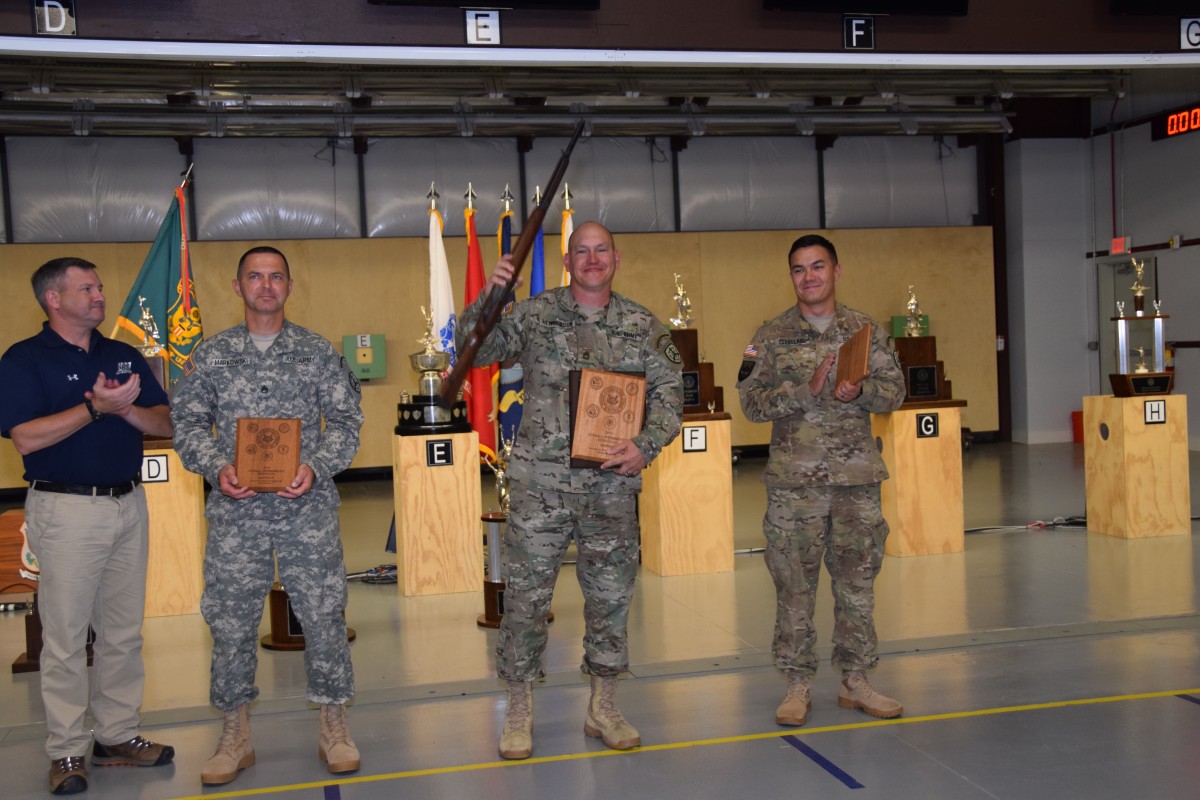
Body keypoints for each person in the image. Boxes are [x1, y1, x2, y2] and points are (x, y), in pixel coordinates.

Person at [458, 221, 683, 760]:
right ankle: (518, 708)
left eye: (601, 249)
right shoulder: (536, 315)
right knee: (526, 601)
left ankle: (603, 705)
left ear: (617, 258)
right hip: (541, 488)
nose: (592, 258)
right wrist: (492, 295)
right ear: (566, 261)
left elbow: (671, 395)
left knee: (611, 600)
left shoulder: (642, 325)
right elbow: (475, 348)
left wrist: (646, 445)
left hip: (611, 488)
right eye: (581, 251)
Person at [170, 246, 364, 785]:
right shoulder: (211, 356)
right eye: (255, 277)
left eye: (276, 276)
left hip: (306, 509)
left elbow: (346, 422)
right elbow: (187, 425)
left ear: (289, 286)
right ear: (238, 287)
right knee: (231, 621)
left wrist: (315, 467)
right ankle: (234, 734)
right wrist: (217, 468)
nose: (266, 285)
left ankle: (334, 726)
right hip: (237, 514)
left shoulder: (317, 352)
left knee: (323, 616)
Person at [0, 257, 175, 795]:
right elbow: (25, 437)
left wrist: (126, 411)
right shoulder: (25, 359)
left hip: (128, 503)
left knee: (123, 631)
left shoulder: (121, 355)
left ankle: (117, 733)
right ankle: (67, 749)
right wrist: (95, 408)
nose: (100, 295)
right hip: (65, 510)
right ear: (53, 298)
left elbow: (166, 421)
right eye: (87, 288)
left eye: (99, 286)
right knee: (66, 637)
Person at [736, 234, 906, 728]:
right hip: (795, 487)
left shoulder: (865, 332)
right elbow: (751, 403)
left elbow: (894, 392)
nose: (808, 277)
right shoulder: (770, 336)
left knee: (858, 585)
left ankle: (856, 680)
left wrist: (861, 391)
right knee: (793, 587)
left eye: (817, 266)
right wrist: (803, 391)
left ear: (836, 270)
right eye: (798, 269)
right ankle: (797, 684)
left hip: (856, 482)